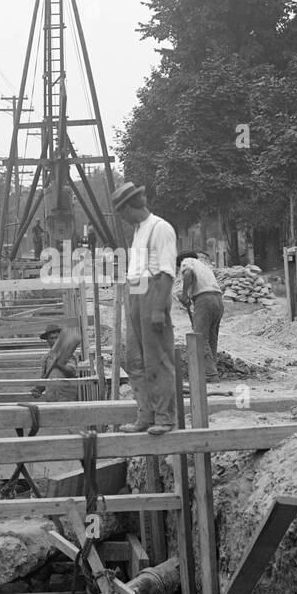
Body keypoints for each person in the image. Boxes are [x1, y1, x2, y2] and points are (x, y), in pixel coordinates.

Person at [112, 181, 177, 434]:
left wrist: (159, 309)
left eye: (121, 212)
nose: (122, 218)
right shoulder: (138, 231)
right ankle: (145, 415)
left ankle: (164, 418)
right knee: (136, 360)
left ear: (129, 207)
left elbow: (167, 273)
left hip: (153, 293)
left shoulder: (160, 228)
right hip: (136, 292)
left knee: (157, 359)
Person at [177, 250, 223, 381]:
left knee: (199, 338)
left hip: (204, 300)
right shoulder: (205, 267)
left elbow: (187, 273)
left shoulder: (187, 262)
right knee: (211, 338)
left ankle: (210, 374)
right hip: (218, 300)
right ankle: (211, 369)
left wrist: (184, 294)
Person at [30, 322, 83, 402]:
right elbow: (46, 378)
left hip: (67, 399)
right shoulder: (47, 358)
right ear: (47, 340)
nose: (54, 341)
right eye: (51, 338)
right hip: (51, 398)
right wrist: (38, 389)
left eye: (56, 338)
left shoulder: (68, 354)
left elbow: (72, 373)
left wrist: (60, 365)